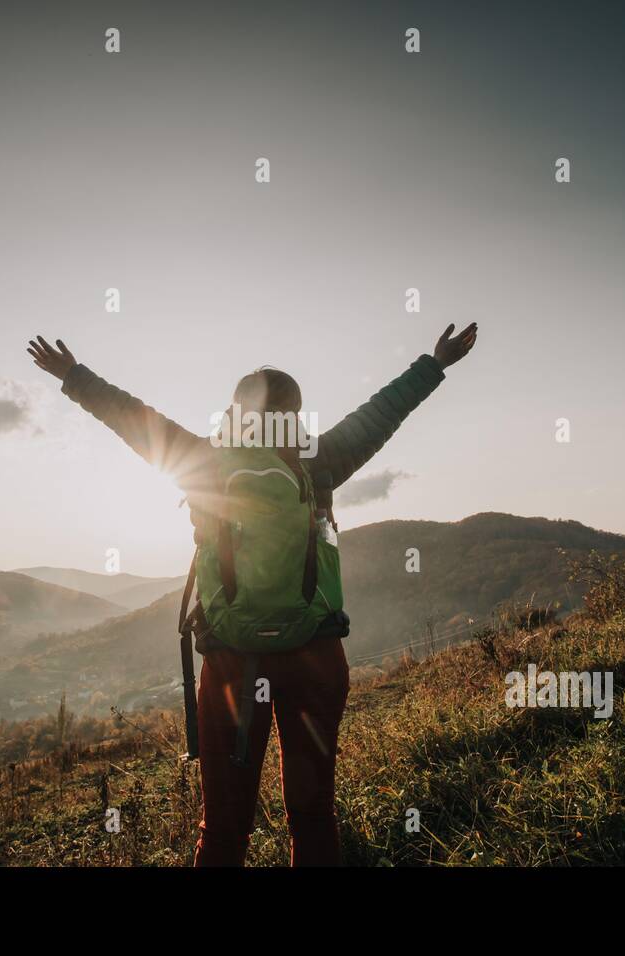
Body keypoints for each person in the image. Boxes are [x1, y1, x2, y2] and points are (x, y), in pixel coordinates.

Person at [26, 322, 478, 865]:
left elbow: (130, 418)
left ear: (235, 410)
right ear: (295, 414)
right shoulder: (320, 459)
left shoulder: (204, 460)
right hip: (314, 654)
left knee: (222, 830)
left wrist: (73, 375)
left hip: (233, 662)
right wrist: (435, 363)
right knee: (313, 816)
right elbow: (381, 412)